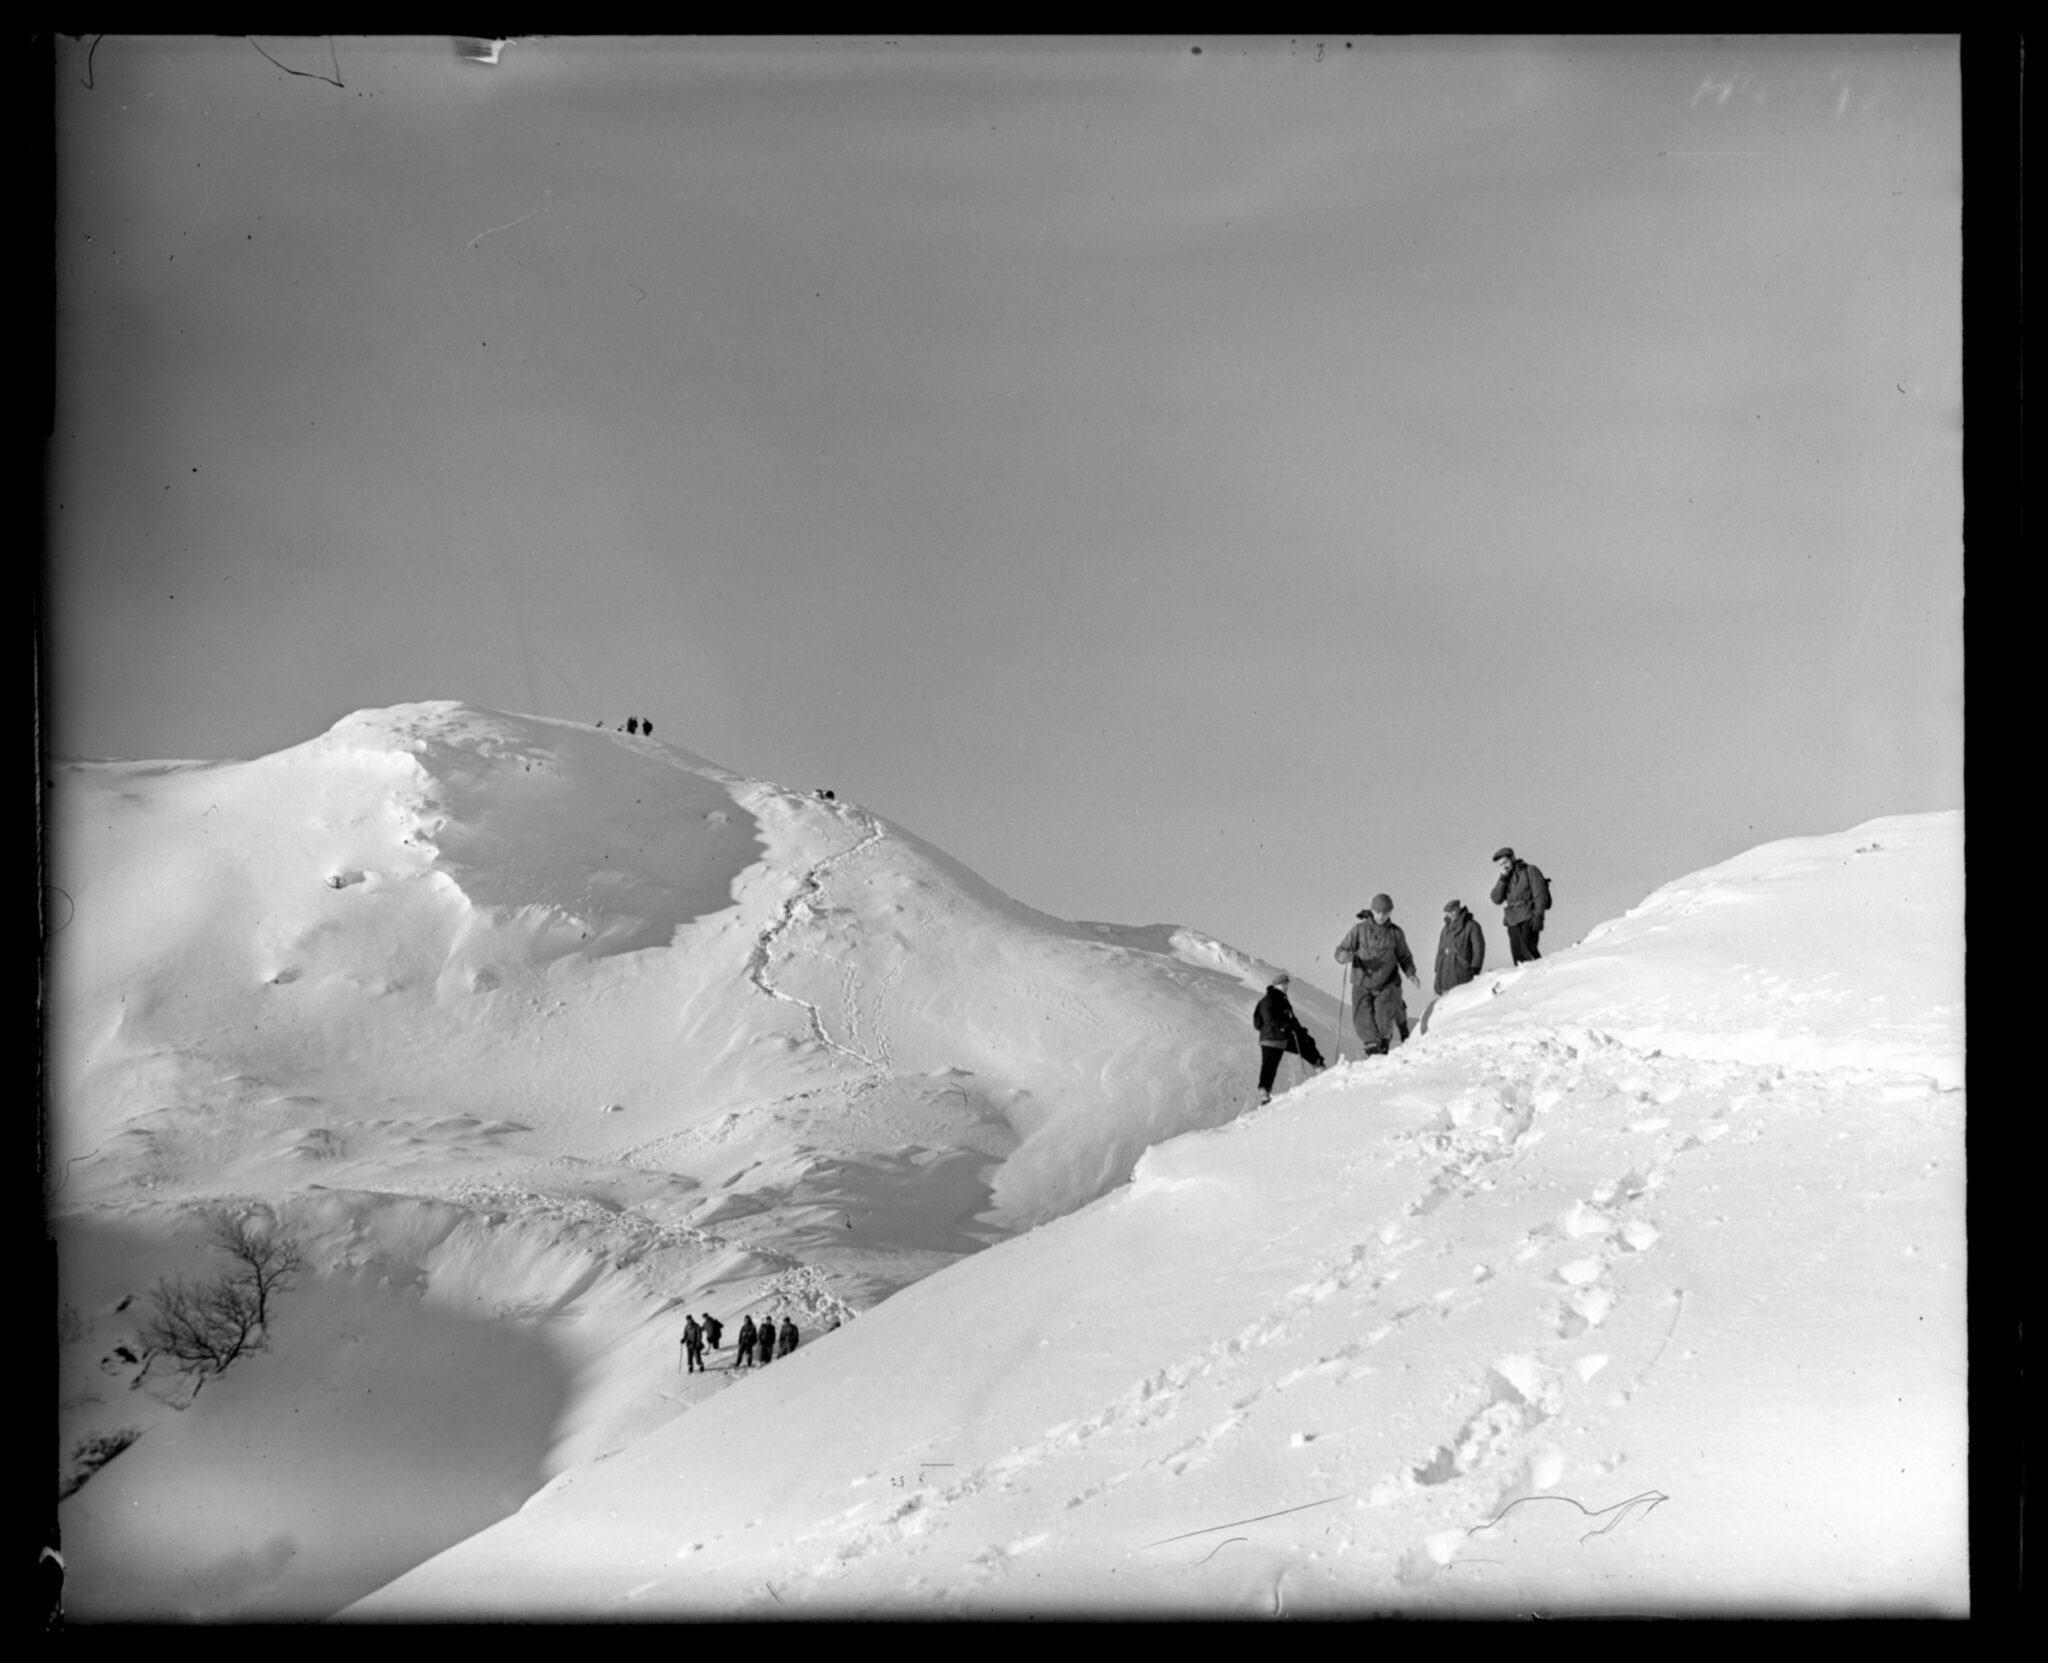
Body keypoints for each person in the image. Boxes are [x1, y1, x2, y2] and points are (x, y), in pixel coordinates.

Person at [1333, 894, 1419, 1056]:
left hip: (1386, 982)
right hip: (1362, 981)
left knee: (1383, 1017)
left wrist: (1411, 973)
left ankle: (1383, 1041)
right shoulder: (1359, 930)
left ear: (1390, 913)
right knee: (1361, 1016)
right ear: (1372, 911)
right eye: (1378, 912)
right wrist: (1343, 956)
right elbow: (1340, 950)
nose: (1381, 916)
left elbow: (1404, 956)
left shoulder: (1396, 933)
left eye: (1385, 913)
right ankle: (1372, 1046)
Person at [1252, 971, 1324, 1104]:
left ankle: (1264, 1093)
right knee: (1305, 1046)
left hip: (1269, 1039)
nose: (1286, 987)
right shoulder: (1273, 999)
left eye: (1286, 984)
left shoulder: (1274, 998)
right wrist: (1288, 1027)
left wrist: (1299, 1030)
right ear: (1276, 986)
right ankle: (1321, 1070)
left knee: (1269, 1065)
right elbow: (1271, 1019)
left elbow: (1261, 1023)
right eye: (1283, 984)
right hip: (1278, 1037)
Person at [1490, 847, 1551, 964]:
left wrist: (1539, 916)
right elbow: (1496, 899)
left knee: (1528, 949)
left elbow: (1540, 894)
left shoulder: (1530, 870)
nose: (1504, 866)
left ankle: (1542, 976)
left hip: (1529, 916)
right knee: (1518, 956)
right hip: (1512, 920)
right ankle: (1525, 980)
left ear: (1512, 858)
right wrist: (1503, 878)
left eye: (1506, 862)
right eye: (1501, 865)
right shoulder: (1505, 878)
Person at [1434, 900, 1486, 996]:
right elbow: (1440, 949)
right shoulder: (1445, 930)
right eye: (1449, 912)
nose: (1451, 914)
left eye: (1453, 911)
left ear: (1459, 908)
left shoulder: (1472, 926)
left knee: (1462, 998)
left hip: (1462, 969)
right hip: (1445, 970)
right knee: (1446, 1002)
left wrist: (1476, 967)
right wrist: (1437, 967)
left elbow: (1478, 948)